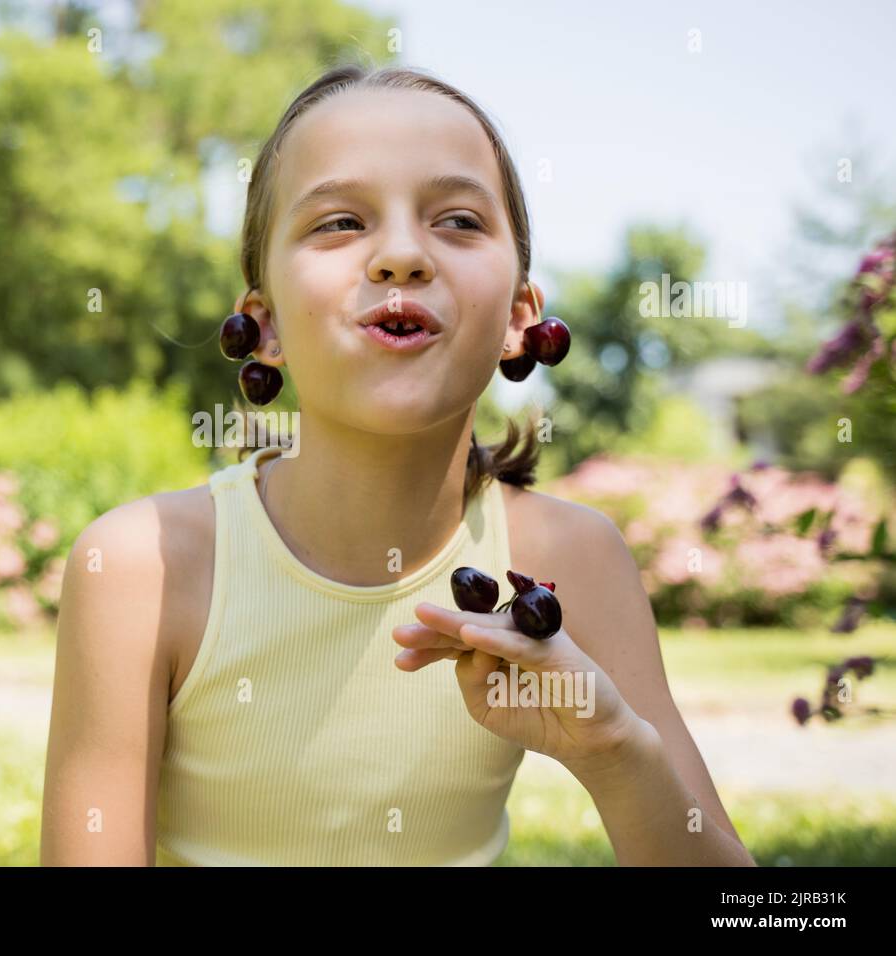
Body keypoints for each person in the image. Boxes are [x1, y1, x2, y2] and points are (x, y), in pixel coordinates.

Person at [40, 63, 756, 867]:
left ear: (523, 318)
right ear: (264, 327)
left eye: (455, 220)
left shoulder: (571, 562)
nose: (402, 256)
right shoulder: (142, 567)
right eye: (340, 222)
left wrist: (615, 751)